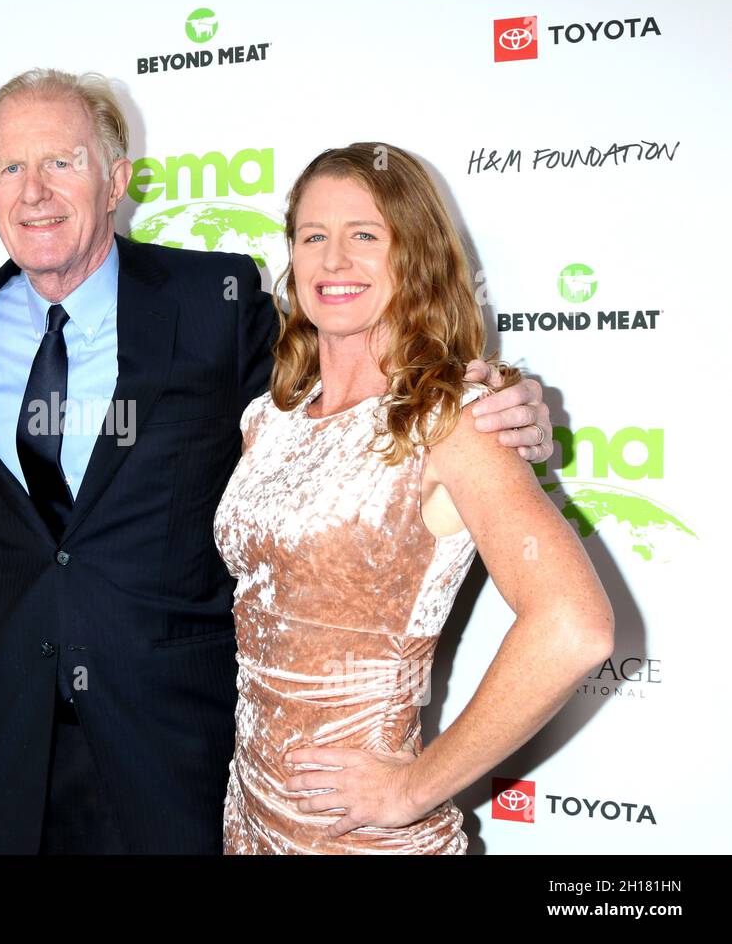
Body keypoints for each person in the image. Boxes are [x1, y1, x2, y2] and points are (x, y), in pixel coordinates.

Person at [0, 69, 554, 854]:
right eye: (10, 168)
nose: (35, 191)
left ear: (115, 180)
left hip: (177, 746)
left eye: (62, 162)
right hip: (16, 738)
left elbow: (352, 394)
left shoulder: (214, 300)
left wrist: (508, 404)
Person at [214, 144, 614, 854]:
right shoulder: (267, 421)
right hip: (250, 816)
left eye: (365, 235)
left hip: (361, 838)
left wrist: (411, 788)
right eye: (314, 237)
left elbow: (574, 626)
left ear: (415, 255)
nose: (333, 260)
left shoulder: (452, 419)